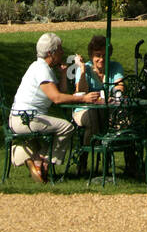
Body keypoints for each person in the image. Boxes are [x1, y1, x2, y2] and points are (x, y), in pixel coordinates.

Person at [9, 32, 88, 183]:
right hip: (25, 119)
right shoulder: (42, 70)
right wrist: (83, 98)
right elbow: (57, 98)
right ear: (51, 53)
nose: (63, 52)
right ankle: (45, 164)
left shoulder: (39, 67)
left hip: (20, 118)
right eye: (60, 49)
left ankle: (33, 159)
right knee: (67, 127)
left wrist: (63, 74)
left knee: (48, 138)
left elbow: (62, 93)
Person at [73, 35, 127, 144]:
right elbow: (80, 91)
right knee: (93, 118)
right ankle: (86, 152)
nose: (101, 59)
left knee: (125, 119)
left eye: (105, 55)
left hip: (109, 109)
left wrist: (116, 94)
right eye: (98, 55)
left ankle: (126, 153)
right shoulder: (85, 69)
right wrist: (82, 69)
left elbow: (119, 86)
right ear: (91, 56)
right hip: (85, 109)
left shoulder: (115, 67)